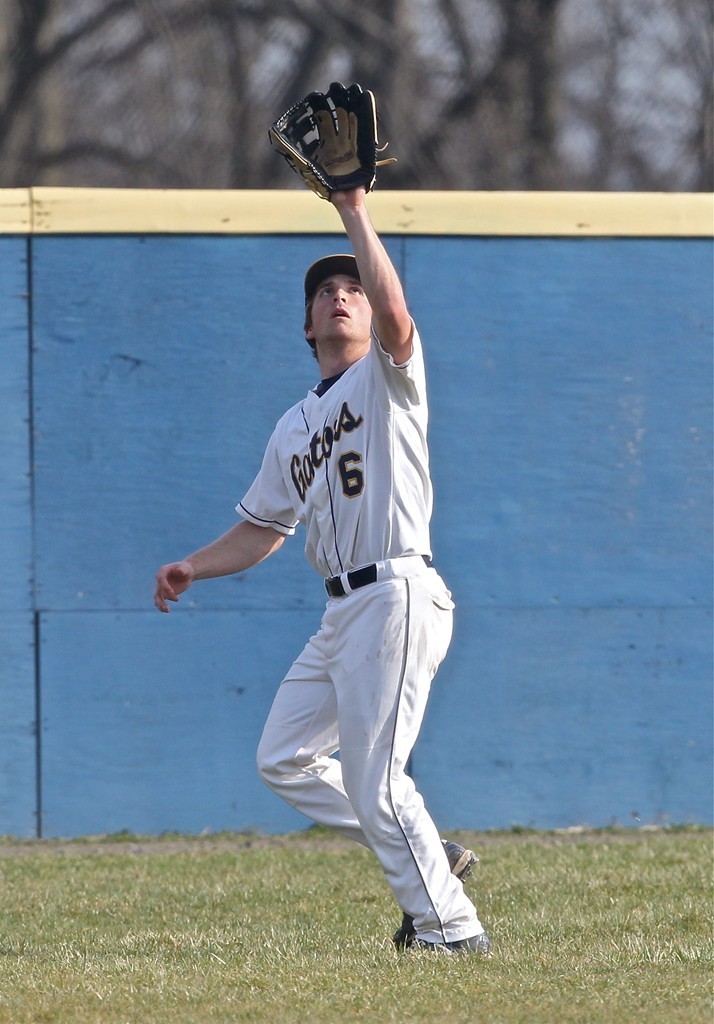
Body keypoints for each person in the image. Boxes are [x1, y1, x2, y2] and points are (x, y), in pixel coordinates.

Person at [153, 186, 490, 955]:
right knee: (285, 757)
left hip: (397, 590)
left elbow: (400, 320)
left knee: (377, 783)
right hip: (341, 614)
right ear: (306, 325)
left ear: (370, 312)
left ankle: (451, 926)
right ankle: (430, 863)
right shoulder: (293, 426)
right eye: (324, 292)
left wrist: (353, 211)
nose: (340, 296)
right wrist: (193, 567)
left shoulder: (391, 379)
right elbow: (263, 528)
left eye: (351, 289)